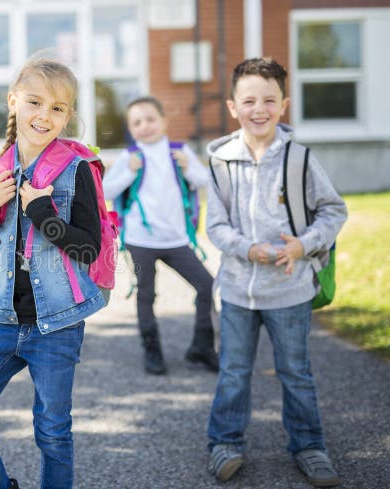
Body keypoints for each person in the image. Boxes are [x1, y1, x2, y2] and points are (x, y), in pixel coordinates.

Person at [0, 54, 104, 489]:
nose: (44, 115)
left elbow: (89, 248)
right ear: (13, 102)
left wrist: (43, 213)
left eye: (57, 108)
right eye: (34, 102)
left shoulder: (76, 170)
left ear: (68, 115)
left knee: (52, 431)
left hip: (57, 325)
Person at [205, 58, 347, 487]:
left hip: (290, 290)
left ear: (283, 105)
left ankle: (309, 445)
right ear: (233, 106)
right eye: (249, 100)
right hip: (236, 291)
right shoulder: (220, 160)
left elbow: (333, 210)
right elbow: (215, 225)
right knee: (233, 370)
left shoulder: (301, 159)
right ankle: (224, 443)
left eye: (269, 100)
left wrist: (304, 244)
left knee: (295, 371)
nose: (259, 109)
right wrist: (247, 248)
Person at [103, 96, 218, 375]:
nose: (145, 126)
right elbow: (106, 192)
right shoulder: (130, 157)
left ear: (164, 121)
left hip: (176, 240)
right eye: (137, 122)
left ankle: (201, 348)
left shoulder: (180, 151)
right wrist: (129, 173)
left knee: (206, 285)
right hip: (140, 241)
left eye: (151, 119)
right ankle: (152, 350)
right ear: (131, 128)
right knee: (146, 294)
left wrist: (187, 167)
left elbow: (206, 182)